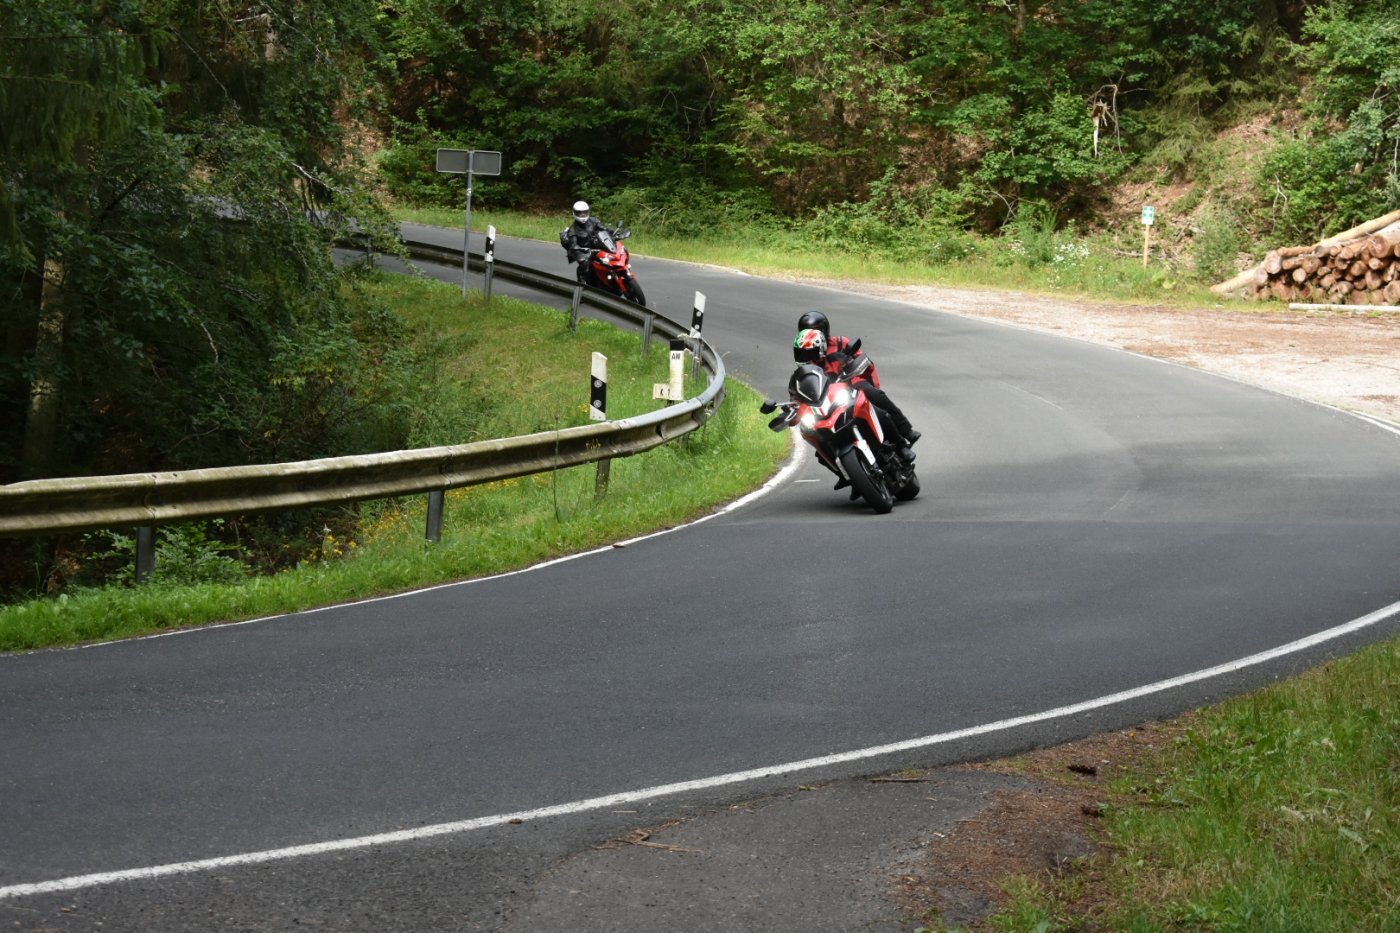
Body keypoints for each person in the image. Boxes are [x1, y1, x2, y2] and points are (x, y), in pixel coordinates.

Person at [794, 311, 920, 449]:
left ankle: (906, 431)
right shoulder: (805, 357)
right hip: (827, 400)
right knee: (815, 434)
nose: (812, 335)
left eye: (817, 330)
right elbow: (802, 387)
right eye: (807, 331)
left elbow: (866, 364)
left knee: (874, 395)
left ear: (825, 330)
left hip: (851, 385)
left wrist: (873, 387)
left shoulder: (841, 343)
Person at [559, 200, 610, 285]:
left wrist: (616, 233)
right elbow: (573, 244)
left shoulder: (593, 220)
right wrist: (578, 249)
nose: (583, 215)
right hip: (583, 251)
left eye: (584, 212)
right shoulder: (573, 230)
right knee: (587, 263)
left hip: (596, 246)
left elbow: (605, 228)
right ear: (575, 213)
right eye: (580, 213)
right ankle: (585, 281)